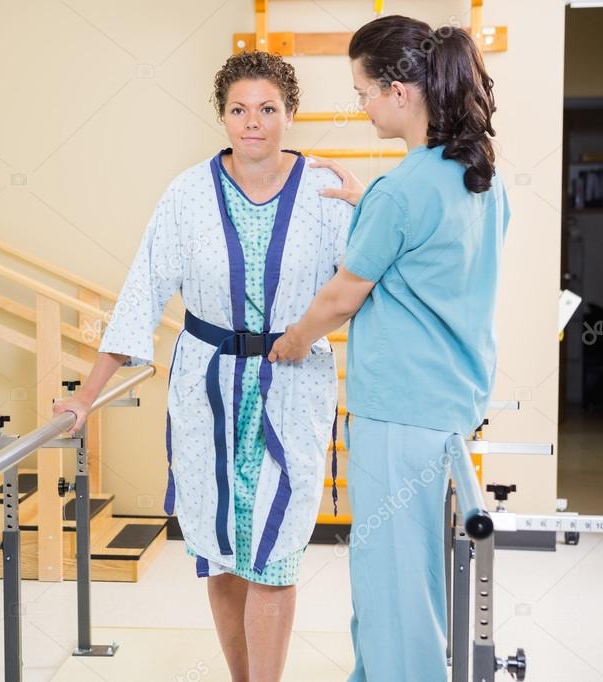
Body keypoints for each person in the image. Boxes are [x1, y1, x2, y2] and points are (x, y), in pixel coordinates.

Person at [54, 51, 353, 682]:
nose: (254, 123)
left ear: (290, 114)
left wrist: (368, 199)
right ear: (221, 116)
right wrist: (85, 395)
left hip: (294, 387)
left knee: (273, 556)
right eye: (239, 110)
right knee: (221, 554)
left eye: (268, 109)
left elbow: (364, 284)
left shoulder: (328, 191)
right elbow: (141, 294)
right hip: (205, 390)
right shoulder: (187, 194)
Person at [268, 15, 509, 682]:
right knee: (412, 572)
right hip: (449, 401)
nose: (362, 106)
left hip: (398, 408)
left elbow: (340, 298)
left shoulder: (401, 190)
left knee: (392, 581)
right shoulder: (479, 178)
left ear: (399, 91)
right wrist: (364, 199)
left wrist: (289, 344)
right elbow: (435, 263)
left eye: (361, 92)